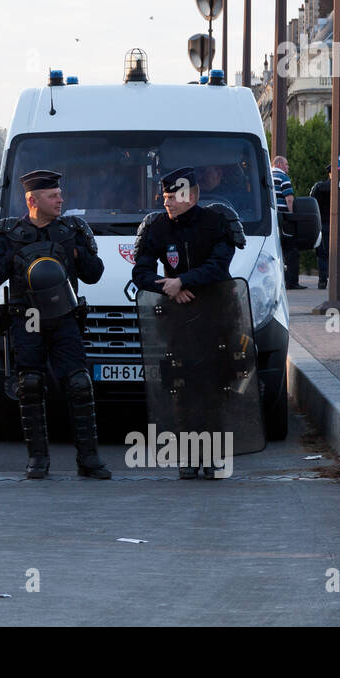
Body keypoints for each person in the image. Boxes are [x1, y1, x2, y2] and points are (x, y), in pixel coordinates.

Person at [0, 169, 108, 480]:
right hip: (28, 319)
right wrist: (8, 259)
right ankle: (38, 458)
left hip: (64, 318)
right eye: (53, 196)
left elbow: (94, 273)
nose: (60, 200)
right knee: (30, 385)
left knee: (79, 383)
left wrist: (77, 254)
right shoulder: (9, 233)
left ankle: (88, 458)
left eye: (60, 194)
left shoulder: (72, 230)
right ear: (32, 200)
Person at [131, 166, 246, 478]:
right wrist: (166, 287)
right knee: (182, 387)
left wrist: (181, 280)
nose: (167, 202)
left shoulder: (216, 223)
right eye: (165, 196)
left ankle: (212, 457)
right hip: (179, 320)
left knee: (213, 387)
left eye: (175, 196)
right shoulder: (157, 227)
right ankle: (188, 457)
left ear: (193, 196)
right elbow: (140, 272)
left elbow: (219, 266)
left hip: (215, 317)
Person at [272, 156, 301, 289]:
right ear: (279, 164)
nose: (288, 167)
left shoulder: (267, 175)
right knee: (291, 250)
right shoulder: (283, 178)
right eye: (286, 164)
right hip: (283, 218)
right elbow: (289, 198)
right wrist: (291, 215)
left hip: (271, 217)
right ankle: (292, 282)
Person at [310, 165, 332, 290]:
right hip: (336, 225)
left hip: (322, 223)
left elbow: (312, 202)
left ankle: (322, 281)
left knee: (322, 254)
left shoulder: (319, 187)